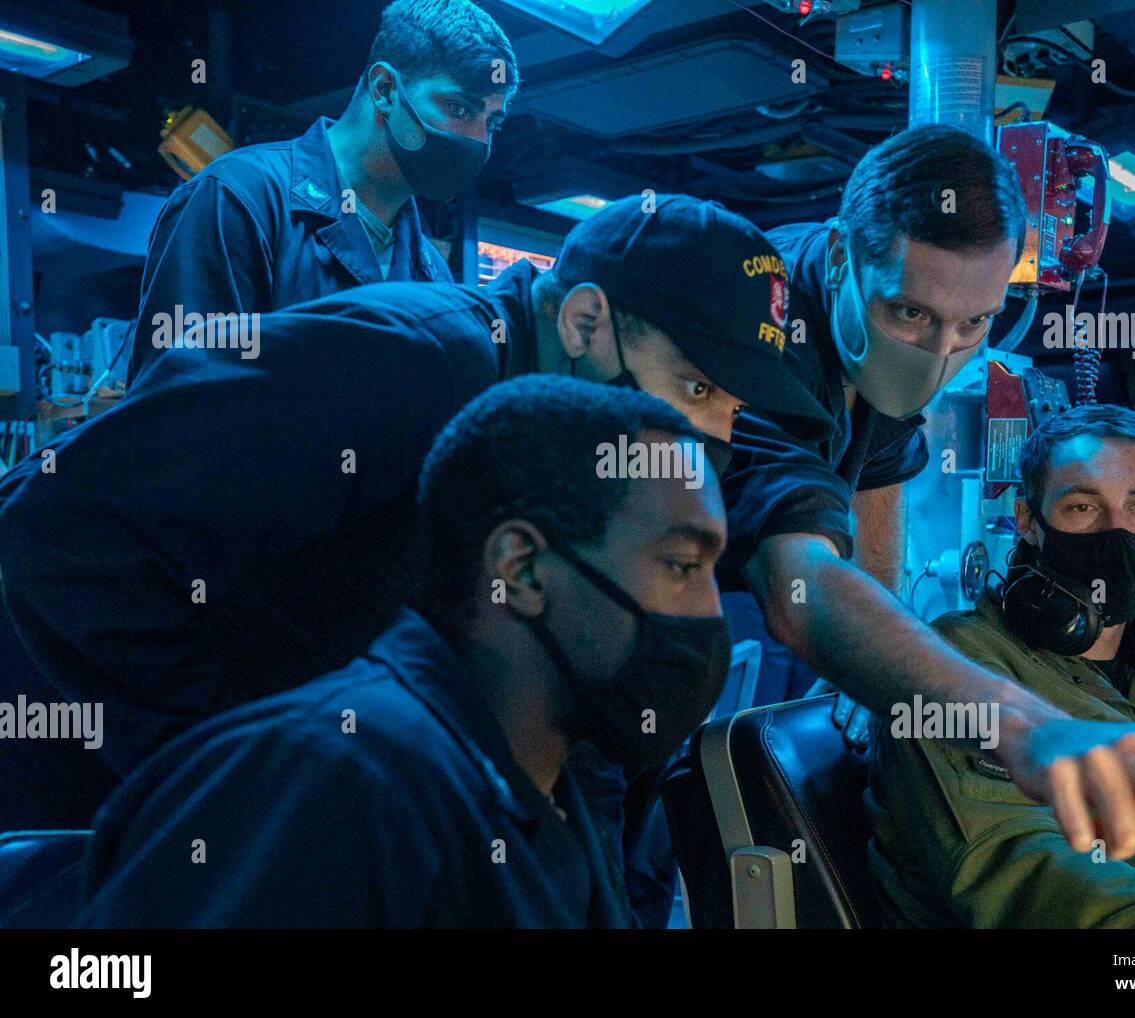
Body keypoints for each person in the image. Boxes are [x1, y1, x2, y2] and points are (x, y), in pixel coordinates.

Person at [0, 195, 828, 783]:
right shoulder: (411, 366)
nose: (713, 436)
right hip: (69, 744)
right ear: (582, 323)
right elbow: (61, 528)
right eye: (694, 390)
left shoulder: (563, 417)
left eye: (731, 405)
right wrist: (233, 757)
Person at [707, 125, 1135, 880]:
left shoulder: (889, 319)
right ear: (841, 259)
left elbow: (875, 483)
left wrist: (868, 671)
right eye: (912, 316)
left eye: (975, 323)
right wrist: (1023, 727)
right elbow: (797, 587)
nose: (941, 353)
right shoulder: (764, 330)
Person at [77, 375, 729, 927]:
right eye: (678, 565)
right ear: (523, 570)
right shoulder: (335, 776)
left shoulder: (554, 786)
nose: (711, 615)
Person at [866, 404, 1135, 928]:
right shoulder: (956, 670)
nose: (1120, 531)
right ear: (1029, 522)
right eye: (1083, 508)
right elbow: (1029, 877)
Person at [125, 0, 517, 383]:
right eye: (460, 109)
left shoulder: (432, 272)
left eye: (492, 124)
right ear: (384, 88)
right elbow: (173, 412)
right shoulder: (239, 198)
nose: (479, 141)